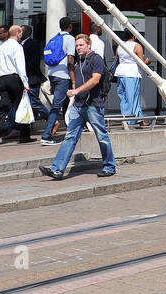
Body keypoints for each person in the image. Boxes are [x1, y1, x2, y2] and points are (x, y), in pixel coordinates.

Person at [40, 34, 116, 180]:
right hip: (78, 105)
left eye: (81, 45)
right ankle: (57, 169)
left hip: (93, 104)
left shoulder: (96, 59)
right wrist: (73, 90)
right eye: (76, 46)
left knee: (101, 136)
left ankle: (109, 166)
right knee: (70, 136)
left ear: (88, 45)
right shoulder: (79, 62)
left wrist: (77, 90)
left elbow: (95, 80)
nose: (78, 48)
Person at [0, 23, 33, 146]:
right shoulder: (17, 47)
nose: (21, 34)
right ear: (18, 33)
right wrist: (26, 83)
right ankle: (25, 136)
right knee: (22, 104)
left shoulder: (2, 46)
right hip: (14, 78)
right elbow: (20, 66)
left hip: (3, 79)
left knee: (4, 107)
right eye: (20, 32)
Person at [40, 17, 77, 146]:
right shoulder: (70, 39)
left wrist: (51, 83)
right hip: (63, 76)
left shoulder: (54, 38)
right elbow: (70, 60)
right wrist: (73, 80)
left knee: (67, 103)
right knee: (56, 106)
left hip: (52, 75)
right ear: (70, 26)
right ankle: (46, 135)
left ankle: (72, 129)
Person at [116, 30, 150, 128]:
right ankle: (133, 120)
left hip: (120, 73)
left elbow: (118, 57)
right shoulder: (137, 46)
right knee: (133, 97)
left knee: (124, 98)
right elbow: (141, 62)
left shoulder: (120, 45)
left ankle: (127, 120)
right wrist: (147, 61)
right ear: (134, 35)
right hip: (132, 73)